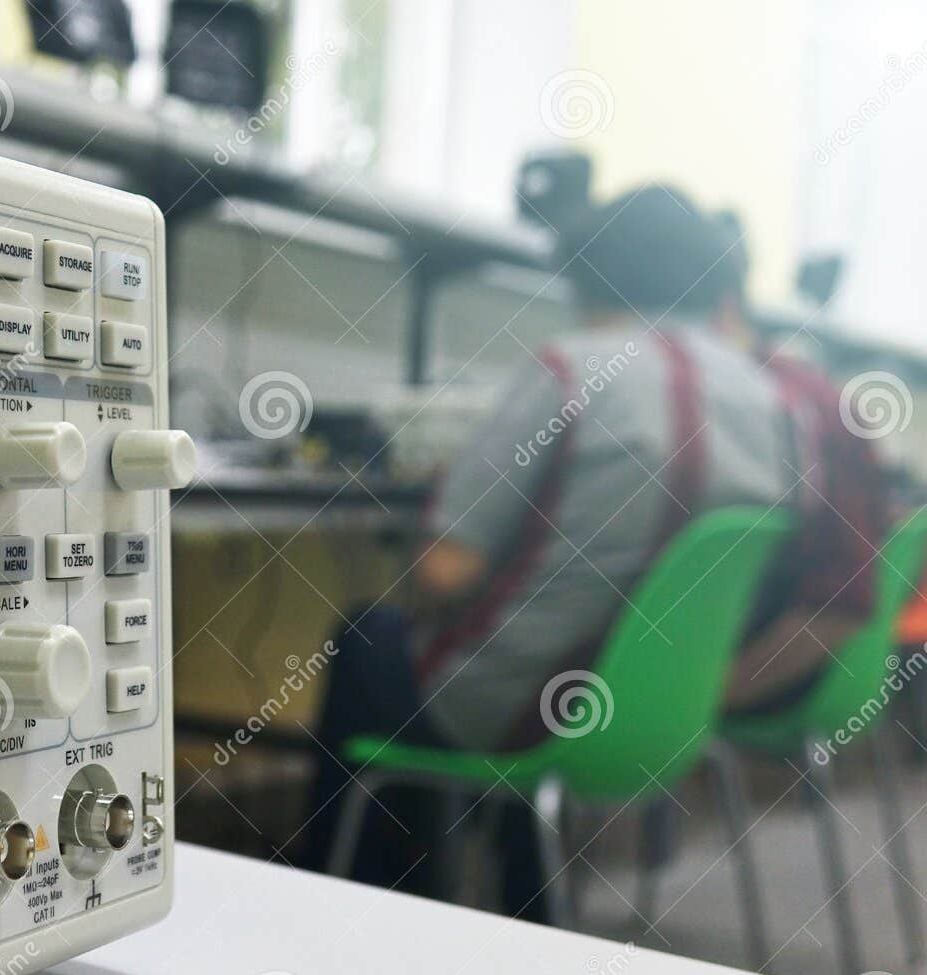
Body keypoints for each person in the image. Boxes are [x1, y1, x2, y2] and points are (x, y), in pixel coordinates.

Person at [302, 184, 886, 921]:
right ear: (715, 282)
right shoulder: (774, 404)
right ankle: (517, 903)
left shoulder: (570, 370)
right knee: (547, 626)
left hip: (526, 710)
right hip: (657, 718)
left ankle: (356, 906)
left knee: (369, 640)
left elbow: (446, 569)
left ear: (583, 274)